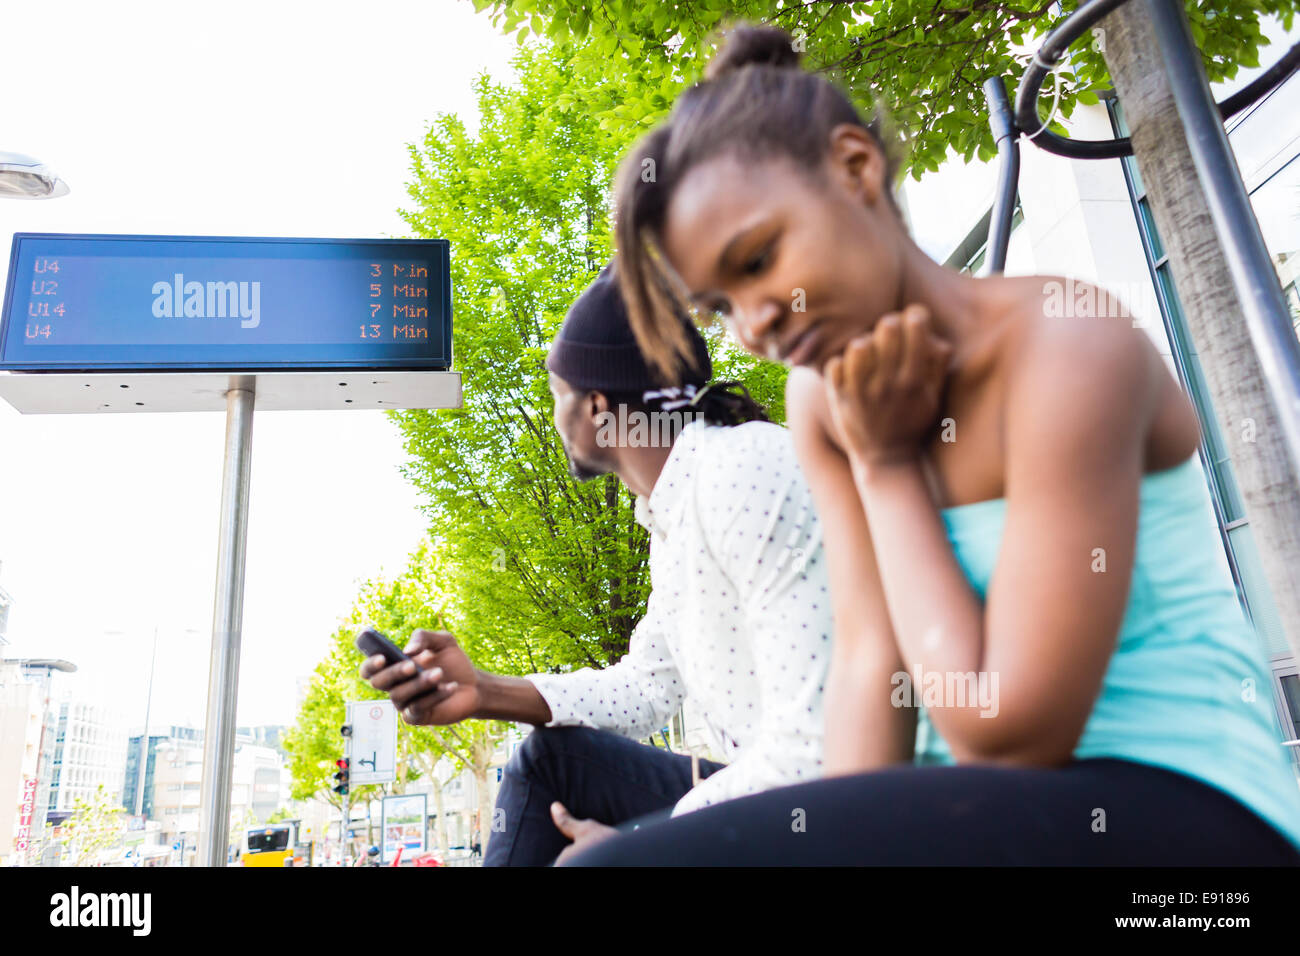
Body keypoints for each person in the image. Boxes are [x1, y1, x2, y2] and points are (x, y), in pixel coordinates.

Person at [561, 24, 1300, 865]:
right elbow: (872, 669)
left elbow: (1009, 733)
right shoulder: (820, 401)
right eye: (721, 307)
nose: (755, 322)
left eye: (760, 259)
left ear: (854, 168)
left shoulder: (1068, 348)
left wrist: (887, 466)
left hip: (1193, 828)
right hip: (974, 820)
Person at [361, 262, 833, 866]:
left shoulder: (740, 472)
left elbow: (817, 750)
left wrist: (646, 849)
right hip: (774, 791)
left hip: (830, 804)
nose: (557, 418)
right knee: (550, 760)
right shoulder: (674, 513)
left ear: (599, 407)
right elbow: (646, 686)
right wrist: (481, 691)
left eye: (559, 395)